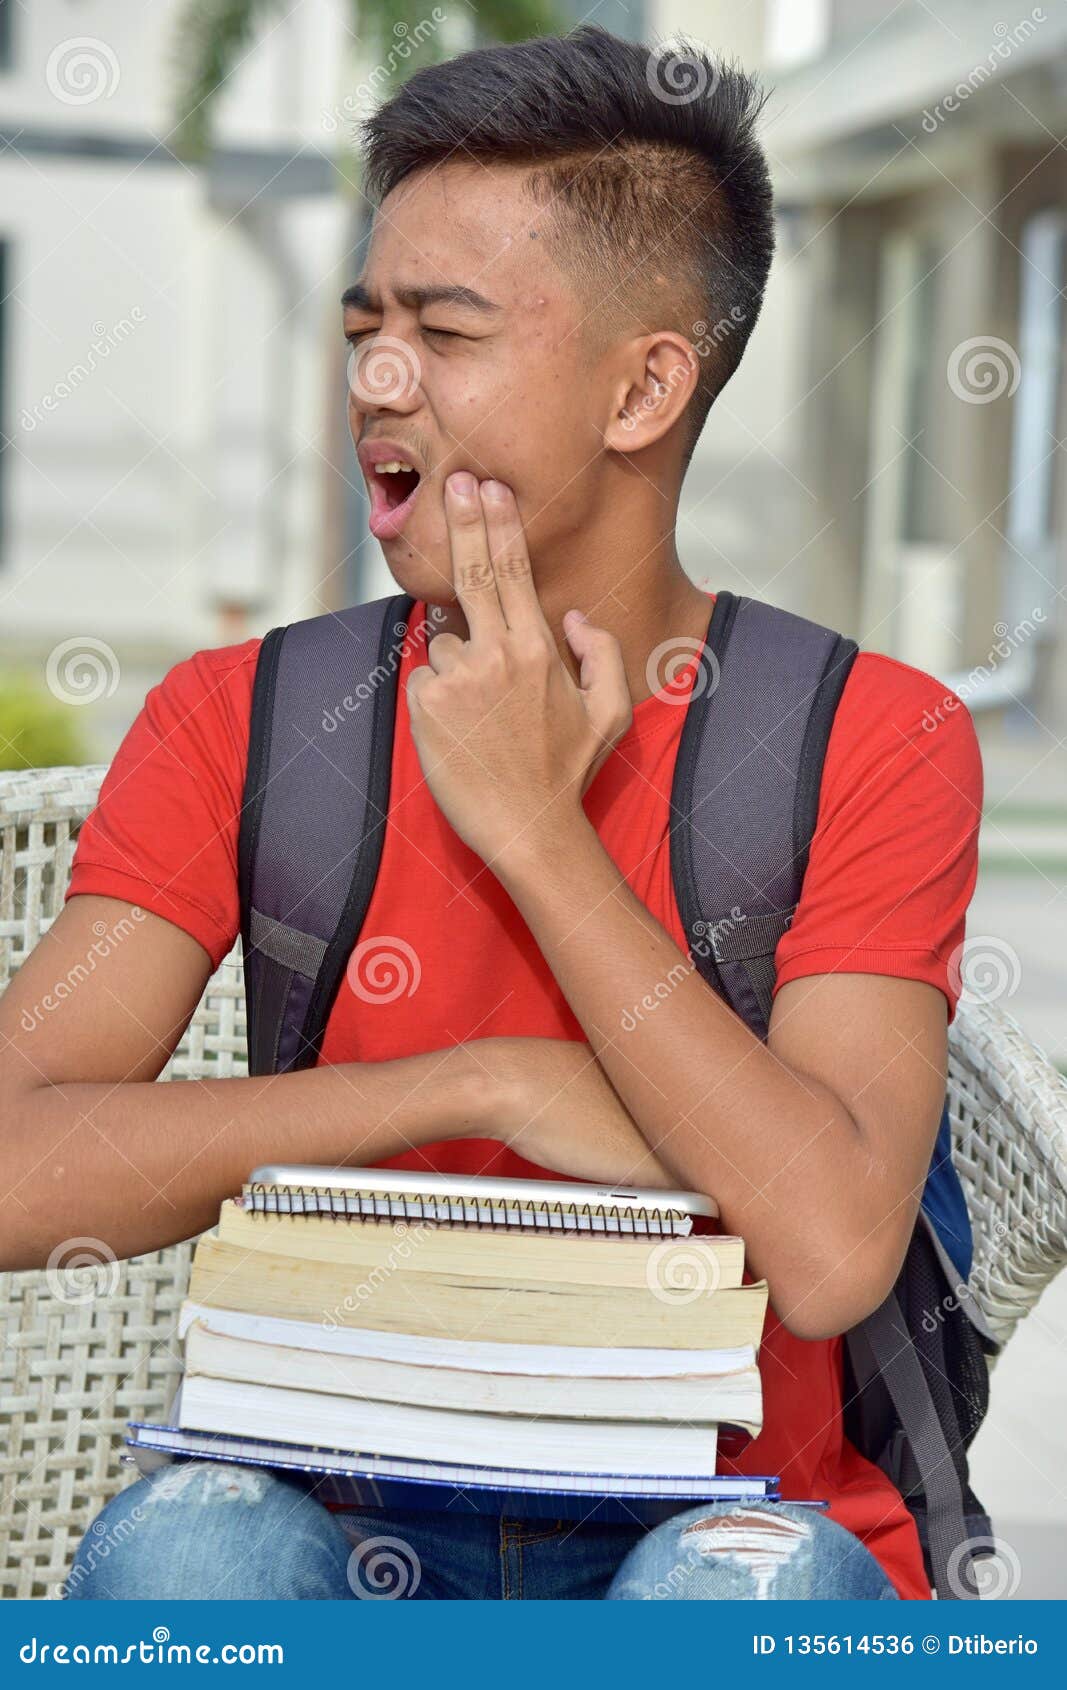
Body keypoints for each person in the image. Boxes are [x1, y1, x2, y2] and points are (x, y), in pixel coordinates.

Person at [3, 27, 980, 1601]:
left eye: (445, 332)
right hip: (331, 1518)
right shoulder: (244, 718)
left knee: (738, 1588)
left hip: (724, 1519)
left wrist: (535, 832)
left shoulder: (869, 736)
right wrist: (477, 1085)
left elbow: (829, 1250)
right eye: (366, 329)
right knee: (191, 1560)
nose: (379, 383)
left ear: (644, 385)